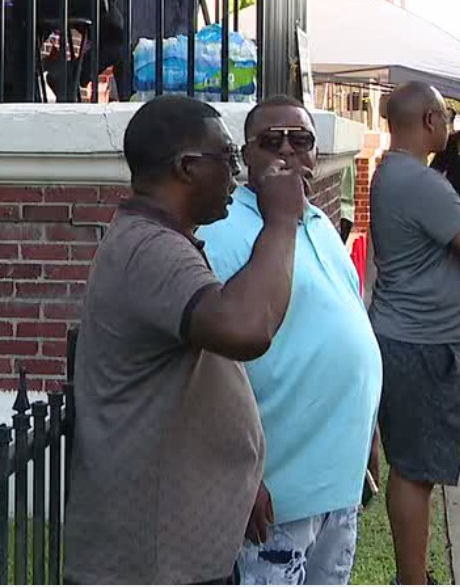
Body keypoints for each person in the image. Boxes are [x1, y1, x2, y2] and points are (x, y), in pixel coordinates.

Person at [65, 94, 309, 584]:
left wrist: (237, 482)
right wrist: (282, 221)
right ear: (188, 168)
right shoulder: (150, 251)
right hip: (150, 561)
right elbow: (245, 327)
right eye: (228, 158)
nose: (237, 174)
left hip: (177, 544)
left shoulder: (164, 240)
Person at [199, 96, 382, 586]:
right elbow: (207, 365)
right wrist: (241, 476)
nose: (286, 151)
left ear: (315, 155)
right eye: (270, 141)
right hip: (279, 493)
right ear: (246, 156)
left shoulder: (319, 224)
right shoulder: (222, 231)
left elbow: (349, 330)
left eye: (299, 140)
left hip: (336, 483)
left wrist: (368, 435)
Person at [367, 82, 460, 586]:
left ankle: (415, 574)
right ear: (427, 119)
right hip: (419, 344)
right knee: (415, 470)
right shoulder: (417, 181)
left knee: (415, 468)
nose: (449, 126)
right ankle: (412, 579)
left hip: (418, 340)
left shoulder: (402, 175)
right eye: (445, 117)